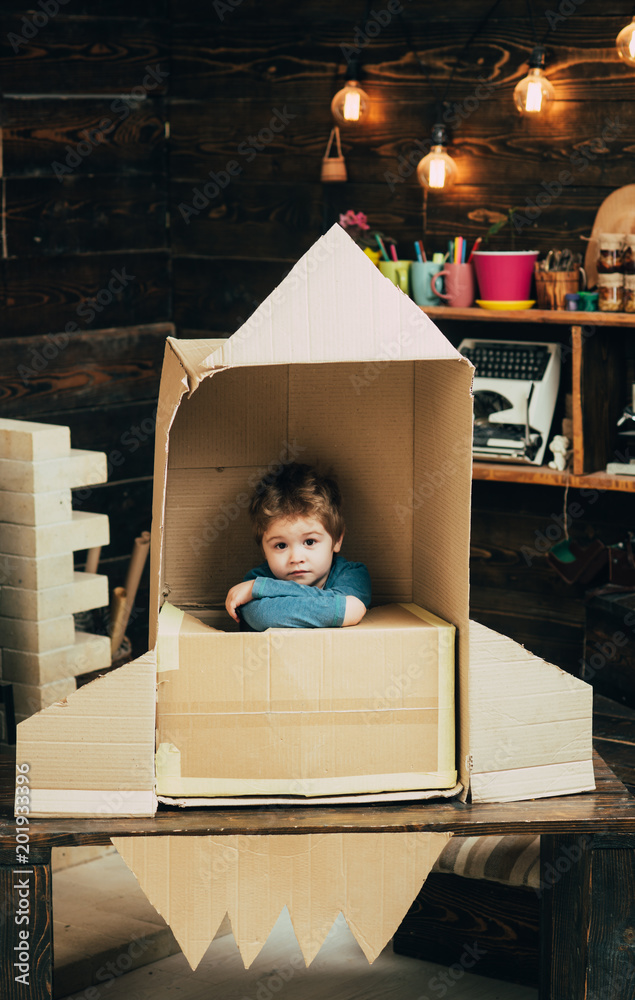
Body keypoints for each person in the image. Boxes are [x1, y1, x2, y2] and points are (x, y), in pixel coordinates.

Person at [225, 463, 371, 631]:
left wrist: (264, 589)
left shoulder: (352, 574)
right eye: (281, 545)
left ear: (337, 539)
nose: (296, 558)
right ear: (263, 549)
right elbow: (264, 616)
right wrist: (336, 608)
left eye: (310, 542)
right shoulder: (256, 578)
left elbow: (351, 609)